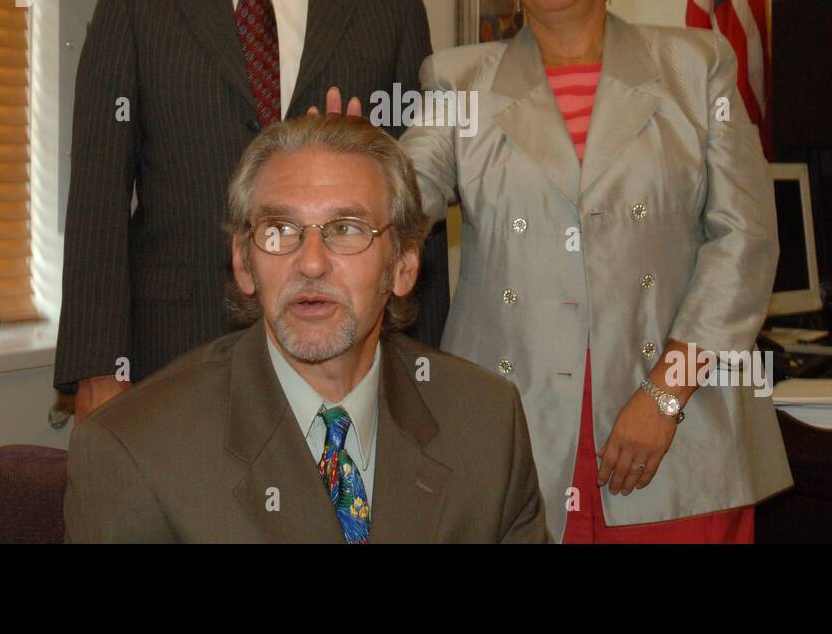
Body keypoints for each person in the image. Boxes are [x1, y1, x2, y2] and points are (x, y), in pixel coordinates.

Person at [397, 0, 793, 543]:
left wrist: (665, 394)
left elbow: (745, 240)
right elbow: (398, 202)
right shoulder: (458, 81)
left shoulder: (696, 66)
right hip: (518, 431)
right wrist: (334, 162)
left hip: (678, 430)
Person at [54, 0, 449, 425]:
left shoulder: (390, 8)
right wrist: (96, 371)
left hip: (343, 369)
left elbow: (416, 218)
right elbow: (96, 198)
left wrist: (417, 372)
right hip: (172, 367)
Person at [63, 114, 547, 543]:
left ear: (403, 265)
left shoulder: (487, 424)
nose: (311, 263)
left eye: (347, 229)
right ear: (243, 262)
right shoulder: (132, 452)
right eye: (279, 231)